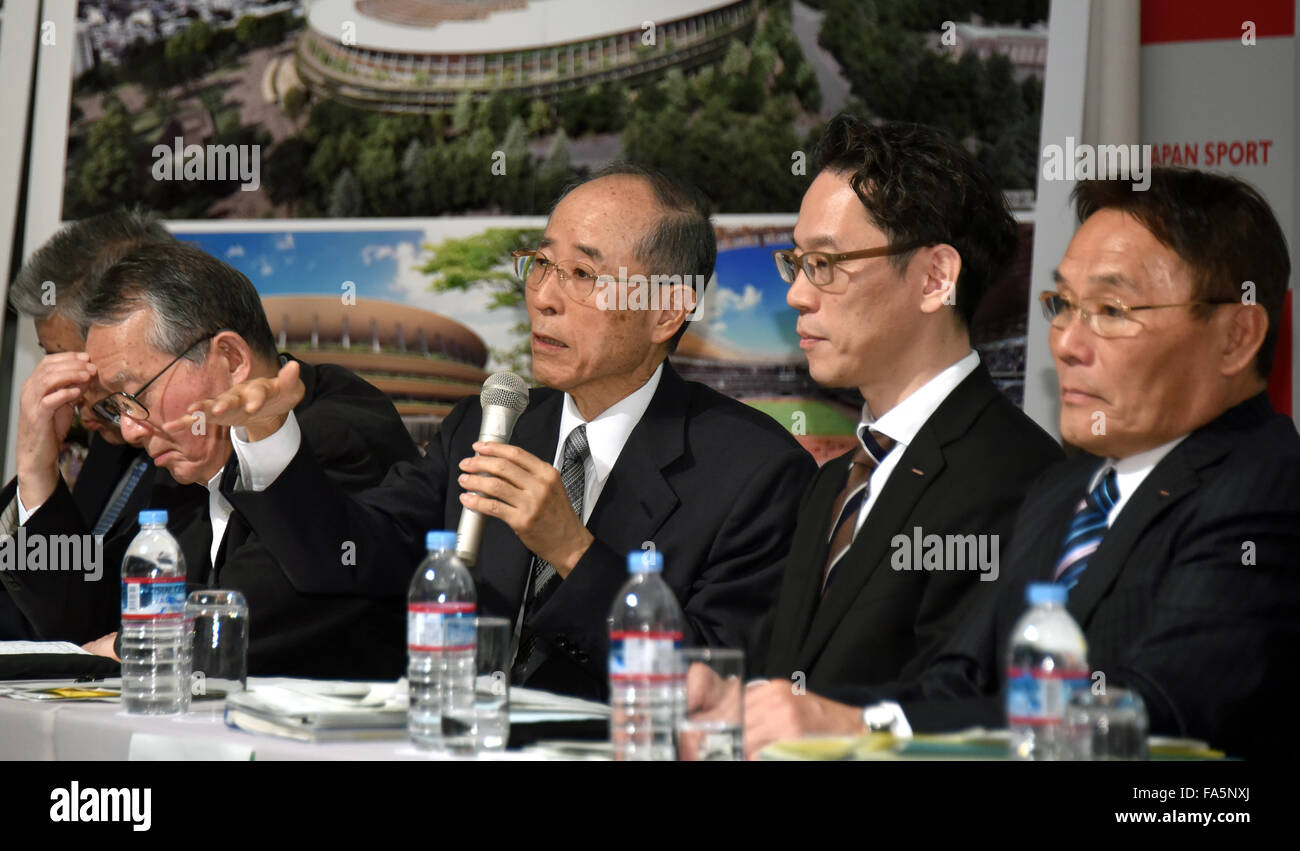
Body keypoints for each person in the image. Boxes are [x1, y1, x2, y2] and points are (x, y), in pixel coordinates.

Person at [739, 166, 1300, 761]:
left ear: (1237, 336)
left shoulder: (1269, 487)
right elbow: (958, 681)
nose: (1065, 342)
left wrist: (866, 726)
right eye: (1063, 304)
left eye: (1111, 310)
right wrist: (824, 718)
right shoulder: (1064, 489)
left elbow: (1151, 709)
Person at [196, 166, 818, 700]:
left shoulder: (757, 473)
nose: (544, 296)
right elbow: (347, 557)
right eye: (541, 263)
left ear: (667, 309)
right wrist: (271, 436)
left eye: (582, 275)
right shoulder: (491, 426)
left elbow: (711, 681)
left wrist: (573, 552)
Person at [724, 117, 1060, 702]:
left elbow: (965, 714)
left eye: (825, 265)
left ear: (935, 279)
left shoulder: (1016, 480)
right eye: (796, 263)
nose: (797, 294)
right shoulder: (835, 481)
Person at [3, 242, 420, 680]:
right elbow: (83, 621)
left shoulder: (337, 435)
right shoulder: (180, 460)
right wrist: (36, 472)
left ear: (231, 359)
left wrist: (131, 640)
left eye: (136, 395)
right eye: (116, 407)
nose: (129, 431)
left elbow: (254, 613)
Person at [0, 211, 174, 639]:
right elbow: (22, 610)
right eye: (48, 357)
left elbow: (78, 620)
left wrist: (39, 472)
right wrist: (35, 473)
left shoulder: (191, 448)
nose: (65, 389)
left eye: (68, 361)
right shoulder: (103, 445)